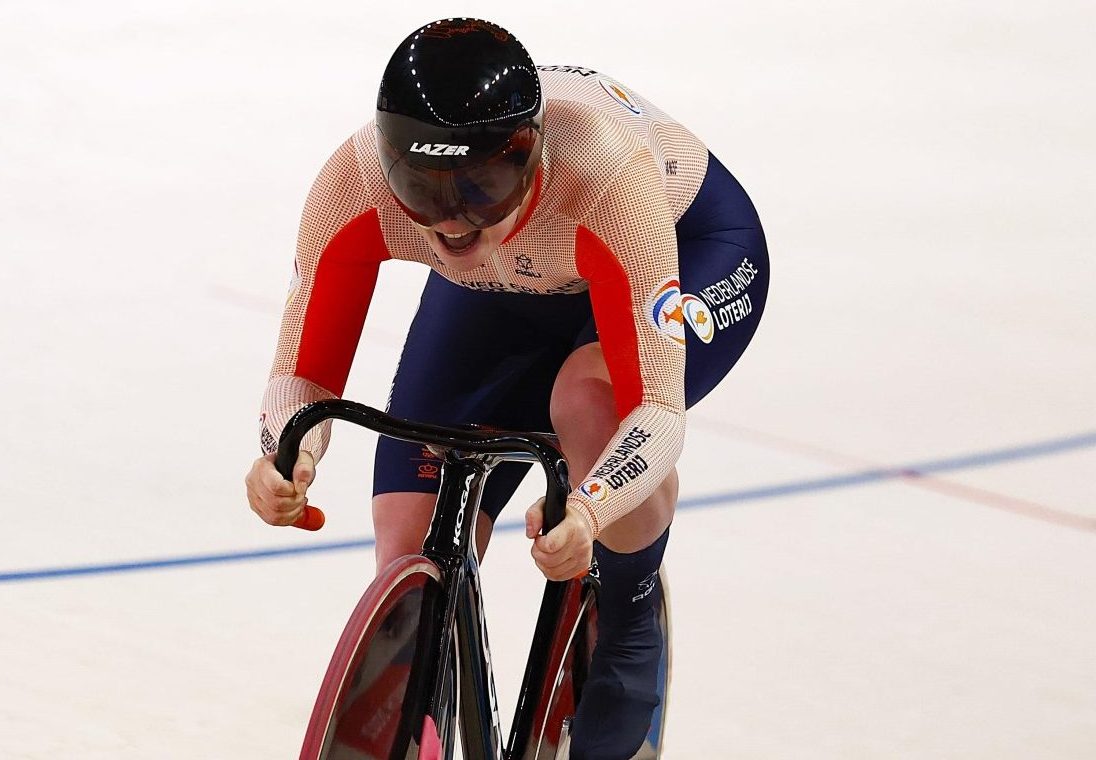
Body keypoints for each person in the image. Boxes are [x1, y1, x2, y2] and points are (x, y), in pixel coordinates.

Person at [244, 17, 768, 759]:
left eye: (482, 187)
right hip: (503, 283)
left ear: (531, 154)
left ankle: (629, 620)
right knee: (408, 544)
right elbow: (301, 372)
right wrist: (284, 454)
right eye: (420, 189)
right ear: (388, 161)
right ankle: (423, 700)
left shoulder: (604, 176)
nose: (452, 220)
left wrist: (590, 510)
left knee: (587, 403)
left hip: (682, 248)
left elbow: (655, 409)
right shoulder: (353, 181)